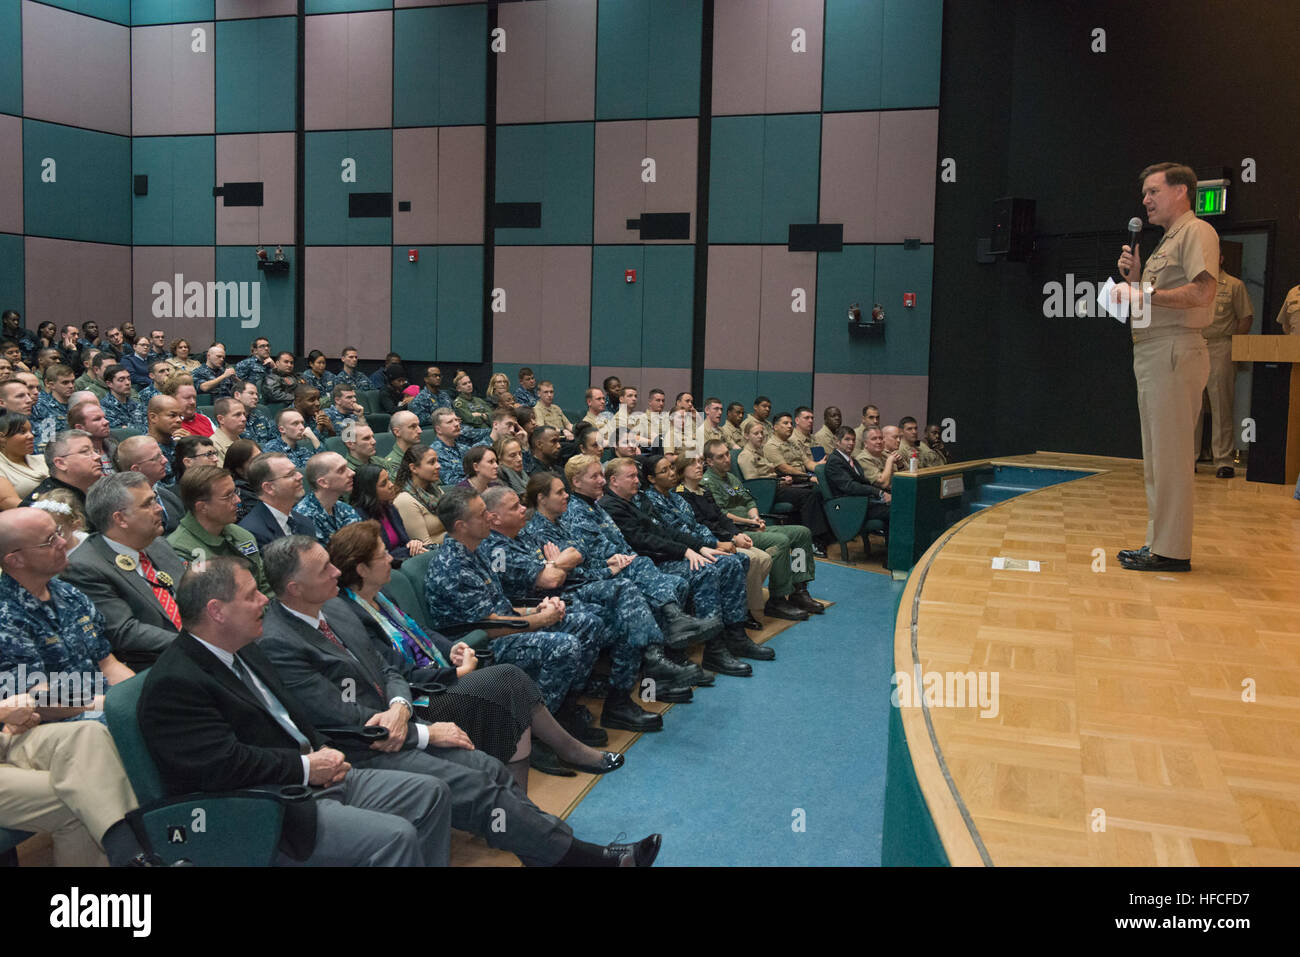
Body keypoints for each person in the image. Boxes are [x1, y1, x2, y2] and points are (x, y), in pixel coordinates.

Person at [256, 536, 651, 865]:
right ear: (294, 588)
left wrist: (400, 708)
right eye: (324, 569)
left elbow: (389, 667)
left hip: (402, 717)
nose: (335, 573)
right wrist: (421, 732)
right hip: (362, 747)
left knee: (486, 767)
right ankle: (580, 857)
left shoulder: (333, 611)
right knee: (475, 780)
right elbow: (336, 715)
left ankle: (545, 851)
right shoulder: (278, 641)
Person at [136, 557, 455, 867]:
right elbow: (221, 766)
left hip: (316, 774)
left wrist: (323, 747)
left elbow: (290, 715)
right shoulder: (175, 683)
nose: (264, 599)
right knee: (394, 836)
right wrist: (305, 767)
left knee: (431, 793)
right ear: (217, 611)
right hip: (268, 805)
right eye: (251, 595)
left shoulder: (246, 645)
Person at [330, 522, 620, 777]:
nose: (391, 557)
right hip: (420, 699)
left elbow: (422, 632)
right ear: (361, 568)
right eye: (382, 554)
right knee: (509, 679)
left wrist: (454, 647)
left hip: (438, 674)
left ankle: (542, 771)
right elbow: (395, 671)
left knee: (511, 687)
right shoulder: (352, 615)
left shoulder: (381, 594)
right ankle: (566, 750)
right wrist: (452, 673)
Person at [0, 507, 144, 867]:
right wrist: (106, 703)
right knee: (99, 748)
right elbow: (34, 698)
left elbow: (107, 663)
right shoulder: (5, 612)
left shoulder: (68, 593)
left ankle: (143, 842)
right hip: (43, 722)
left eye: (59, 533)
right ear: (14, 559)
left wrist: (134, 697)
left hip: (78, 715)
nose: (64, 543)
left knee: (146, 714)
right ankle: (138, 844)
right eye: (50, 541)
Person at [423, 488, 610, 742]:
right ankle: (530, 732)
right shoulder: (453, 566)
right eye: (482, 514)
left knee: (588, 623)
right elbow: (488, 626)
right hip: (481, 645)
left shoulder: (474, 550)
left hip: (504, 627)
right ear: (461, 525)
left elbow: (502, 607)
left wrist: (539, 609)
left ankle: (562, 709)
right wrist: (540, 620)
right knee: (563, 645)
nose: (489, 518)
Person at [485, 484, 687, 719]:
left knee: (627, 615)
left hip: (557, 597)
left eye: (521, 504)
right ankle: (645, 670)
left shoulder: (525, 533)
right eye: (515, 507)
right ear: (494, 518)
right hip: (536, 608)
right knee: (619, 601)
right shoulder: (497, 548)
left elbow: (578, 550)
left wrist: (555, 564)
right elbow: (552, 580)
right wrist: (555, 566)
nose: (523, 509)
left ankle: (623, 697)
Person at [1115, 162, 1217, 572]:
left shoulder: (1196, 232)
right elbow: (1152, 298)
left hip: (1175, 351)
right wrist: (1136, 280)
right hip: (1155, 352)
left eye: (1153, 191)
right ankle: (1158, 543)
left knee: (1172, 456)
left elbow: (1203, 292)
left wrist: (1146, 291)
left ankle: (1172, 551)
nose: (1145, 200)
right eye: (1145, 193)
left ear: (1181, 192)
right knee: (1157, 457)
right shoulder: (1167, 240)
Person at [600, 458, 759, 677]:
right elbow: (642, 541)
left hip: (667, 555)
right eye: (631, 476)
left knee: (731, 562)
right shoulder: (611, 506)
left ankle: (736, 635)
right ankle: (714, 648)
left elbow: (665, 531)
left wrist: (701, 547)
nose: (637, 481)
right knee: (706, 570)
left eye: (637, 476)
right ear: (614, 481)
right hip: (652, 566)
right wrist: (686, 551)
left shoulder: (638, 500)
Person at [61, 472, 187, 671]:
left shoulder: (158, 544)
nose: (159, 509)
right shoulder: (84, 567)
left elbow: (192, 595)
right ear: (120, 519)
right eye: (147, 504)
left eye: (155, 500)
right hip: (156, 664)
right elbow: (124, 631)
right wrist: (198, 644)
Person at [701, 438, 822, 618]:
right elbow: (722, 514)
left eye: (727, 454)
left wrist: (755, 517)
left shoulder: (732, 478)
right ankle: (778, 599)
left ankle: (799, 590)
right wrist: (750, 523)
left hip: (751, 524)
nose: (727, 459)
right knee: (781, 541)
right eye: (721, 457)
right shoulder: (707, 482)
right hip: (738, 531)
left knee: (802, 533)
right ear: (709, 461)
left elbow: (749, 500)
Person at [672, 455, 771, 627]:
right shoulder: (681, 494)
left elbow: (721, 517)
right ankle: (748, 611)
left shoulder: (704, 489)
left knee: (765, 558)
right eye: (693, 463)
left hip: (724, 535)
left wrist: (736, 534)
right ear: (682, 470)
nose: (699, 466)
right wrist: (730, 538)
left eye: (699, 462)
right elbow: (702, 524)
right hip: (709, 540)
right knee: (753, 558)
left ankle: (744, 605)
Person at [167, 465, 273, 596]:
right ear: (202, 507)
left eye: (235, 492)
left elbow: (265, 587)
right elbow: (205, 606)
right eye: (228, 496)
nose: (238, 500)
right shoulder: (181, 549)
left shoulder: (242, 535)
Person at [1198, 255, 1254, 478]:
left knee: (1221, 405)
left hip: (1221, 346)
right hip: (1194, 345)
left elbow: (1246, 318)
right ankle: (1188, 457)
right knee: (1191, 407)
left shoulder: (1234, 285)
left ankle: (1223, 460)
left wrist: (1234, 347)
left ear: (1221, 258)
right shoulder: (1194, 285)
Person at [740, 421, 830, 552]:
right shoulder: (745, 455)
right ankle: (814, 540)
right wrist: (777, 482)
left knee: (813, 491)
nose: (760, 436)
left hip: (774, 487)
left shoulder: (761, 453)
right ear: (747, 436)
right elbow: (754, 484)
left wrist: (780, 479)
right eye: (756, 433)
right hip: (766, 494)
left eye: (762, 433)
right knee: (808, 495)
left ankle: (819, 536)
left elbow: (767, 475)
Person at [23, 430, 104, 525]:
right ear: (61, 463)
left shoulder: (97, 491)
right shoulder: (44, 507)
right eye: (85, 452)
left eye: (95, 451)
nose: (97, 456)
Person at [349, 464, 426, 562]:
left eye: (389, 479)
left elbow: (405, 543)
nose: (391, 485)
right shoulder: (360, 519)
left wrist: (414, 544)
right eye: (383, 484)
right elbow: (378, 557)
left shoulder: (390, 508)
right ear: (369, 492)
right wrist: (406, 550)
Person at [824, 428, 891, 539]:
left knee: (896, 505)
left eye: (853, 440)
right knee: (893, 511)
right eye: (847, 439)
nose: (851, 443)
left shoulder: (852, 460)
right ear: (838, 442)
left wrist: (882, 492)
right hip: (850, 506)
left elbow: (863, 482)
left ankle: (893, 550)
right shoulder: (834, 461)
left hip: (862, 501)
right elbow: (850, 486)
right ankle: (895, 553)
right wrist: (879, 492)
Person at [238, 452, 314, 547]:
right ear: (269, 488)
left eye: (296, 471)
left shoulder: (304, 521)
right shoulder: (252, 533)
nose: (300, 476)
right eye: (290, 474)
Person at [114, 435, 184, 534]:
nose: (165, 460)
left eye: (162, 454)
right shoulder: (124, 507)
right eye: (156, 458)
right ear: (136, 469)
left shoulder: (169, 496)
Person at [293, 452, 361, 544]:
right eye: (341, 470)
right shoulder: (303, 518)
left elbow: (363, 544)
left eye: (347, 467)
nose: (352, 473)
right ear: (323, 483)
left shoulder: (345, 509)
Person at [392, 445, 446, 544]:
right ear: (414, 468)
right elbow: (425, 546)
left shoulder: (436, 490)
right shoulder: (405, 500)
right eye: (431, 462)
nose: (438, 466)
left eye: (437, 461)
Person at [0, 411, 48, 501]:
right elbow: (7, 501)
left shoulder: (42, 458)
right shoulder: (2, 467)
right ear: (2, 438)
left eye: (31, 431)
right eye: (22, 432)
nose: (31, 436)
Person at [67, 399, 116, 476]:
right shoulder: (77, 459)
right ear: (80, 428)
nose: (106, 422)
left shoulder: (115, 448)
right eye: (97, 419)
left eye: (104, 417)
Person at [223, 438, 263, 521]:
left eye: (261, 457)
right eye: (255, 460)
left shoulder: (262, 479)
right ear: (240, 470)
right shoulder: (240, 490)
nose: (262, 462)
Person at [377, 410, 421, 479]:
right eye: (413, 426)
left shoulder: (422, 455)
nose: (419, 431)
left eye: (418, 425)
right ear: (397, 432)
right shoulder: (391, 464)